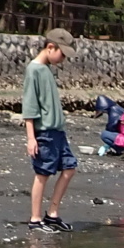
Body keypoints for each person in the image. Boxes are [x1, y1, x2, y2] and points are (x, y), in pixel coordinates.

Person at [22, 27, 78, 232]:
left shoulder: (45, 69)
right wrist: (31, 137)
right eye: (62, 54)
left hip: (57, 131)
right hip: (43, 131)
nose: (63, 59)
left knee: (69, 167)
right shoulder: (34, 70)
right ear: (50, 47)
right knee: (42, 173)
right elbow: (29, 107)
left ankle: (52, 214)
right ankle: (35, 219)